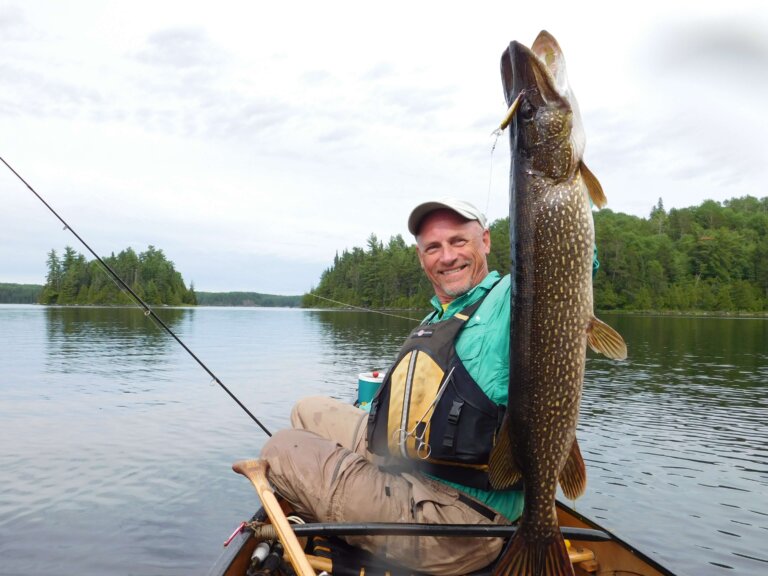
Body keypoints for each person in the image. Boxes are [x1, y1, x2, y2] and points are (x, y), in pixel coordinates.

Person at [261, 199, 522, 576]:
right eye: (433, 247)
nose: (447, 257)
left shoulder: (512, 300)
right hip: (416, 464)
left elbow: (567, 264)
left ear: (485, 240)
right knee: (306, 408)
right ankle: (352, 485)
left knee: (279, 449)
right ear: (421, 258)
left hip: (460, 521)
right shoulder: (443, 312)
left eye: (458, 242)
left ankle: (338, 500)